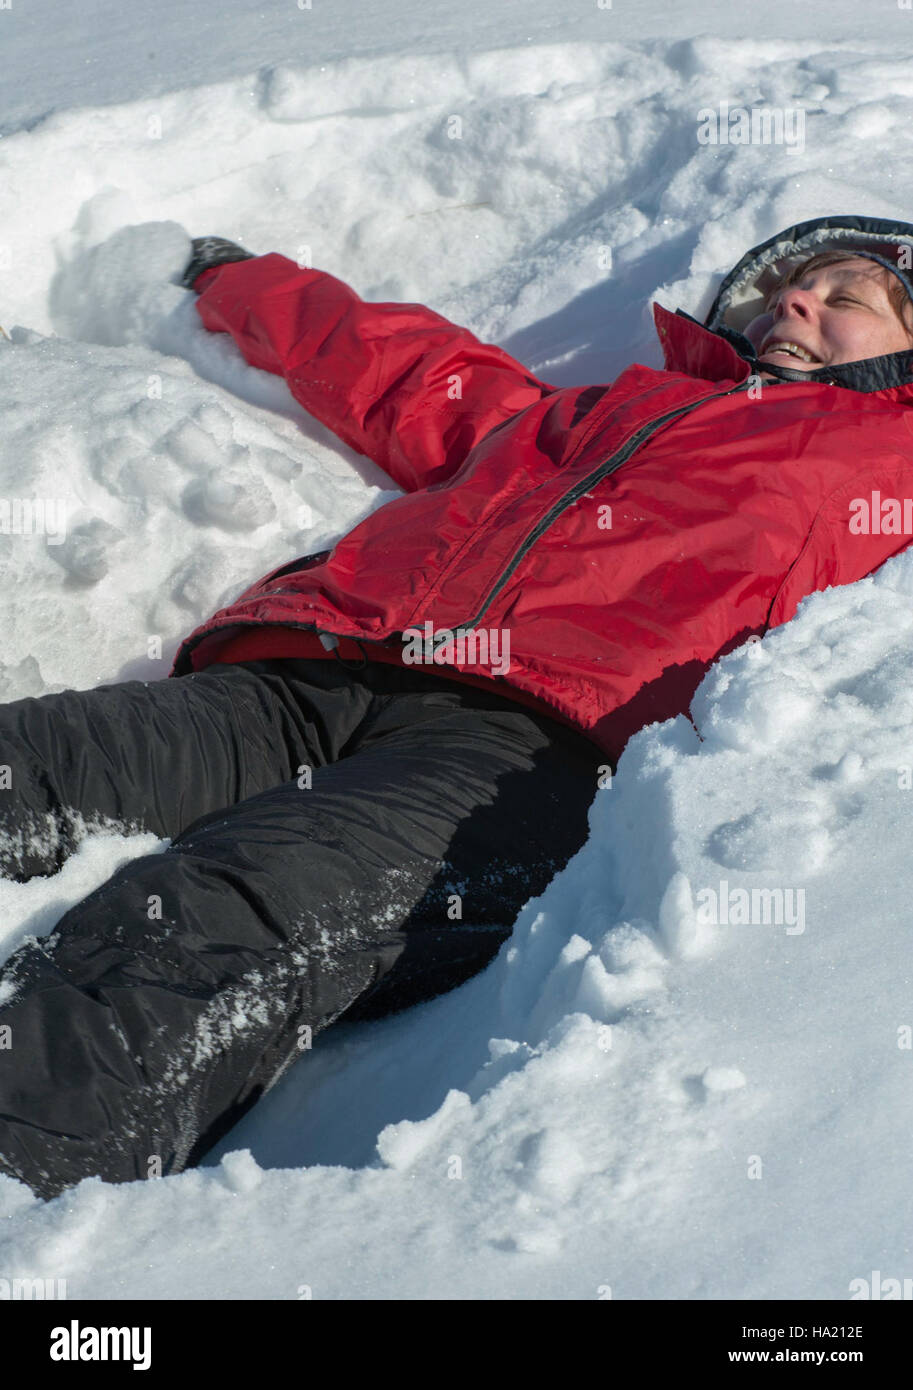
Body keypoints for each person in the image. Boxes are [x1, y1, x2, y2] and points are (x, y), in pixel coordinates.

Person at [2, 213, 913, 1201]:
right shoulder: (587, 414)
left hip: (515, 765)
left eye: (845, 299)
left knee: (207, 919)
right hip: (320, 675)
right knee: (33, 758)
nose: (796, 301)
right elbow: (401, 370)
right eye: (793, 287)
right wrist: (232, 280)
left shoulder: (887, 462)